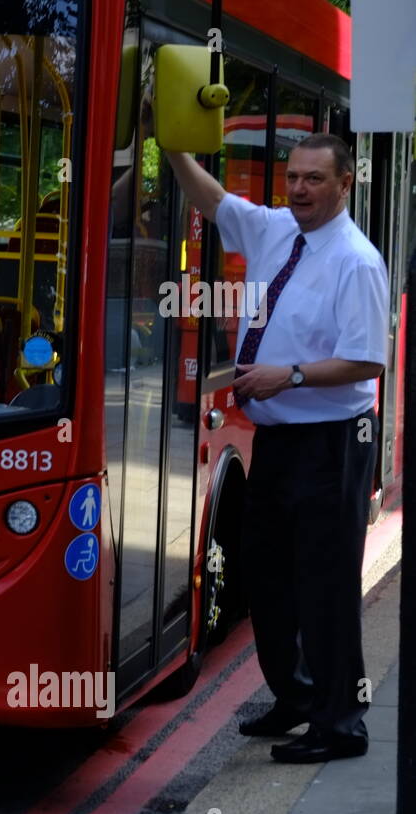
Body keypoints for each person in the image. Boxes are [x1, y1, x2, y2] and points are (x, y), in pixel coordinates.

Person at [164, 134, 387, 763]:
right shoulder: (274, 231)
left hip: (332, 441)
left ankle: (340, 725)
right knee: (265, 574)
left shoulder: (356, 260)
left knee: (324, 584)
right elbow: (212, 201)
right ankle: (298, 697)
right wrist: (175, 150)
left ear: (345, 184)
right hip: (280, 440)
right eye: (292, 177)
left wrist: (286, 375)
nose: (299, 189)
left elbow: (367, 359)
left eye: (315, 179)